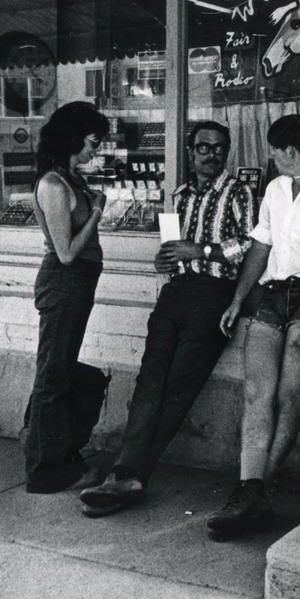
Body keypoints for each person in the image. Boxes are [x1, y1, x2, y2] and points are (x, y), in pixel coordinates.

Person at [79, 121, 256, 517]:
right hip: (174, 295)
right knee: (149, 381)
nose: (211, 154)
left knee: (177, 388)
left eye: (219, 148)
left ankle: (128, 474)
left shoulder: (239, 192)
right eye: (203, 147)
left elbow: (250, 244)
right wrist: (165, 259)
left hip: (213, 298)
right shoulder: (178, 195)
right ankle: (127, 471)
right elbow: (170, 247)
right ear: (191, 153)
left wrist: (201, 250)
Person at [205, 115, 300, 539]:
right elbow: (261, 245)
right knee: (257, 394)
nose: (270, 158)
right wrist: (238, 299)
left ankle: (254, 494)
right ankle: (249, 492)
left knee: (289, 398)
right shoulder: (274, 190)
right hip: (273, 295)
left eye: (274, 150)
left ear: (290, 151)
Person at [23, 101, 112, 493]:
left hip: (78, 286)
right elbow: (66, 252)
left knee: (63, 370)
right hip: (63, 282)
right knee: (53, 374)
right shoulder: (53, 185)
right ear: (74, 138)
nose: (96, 150)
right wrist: (96, 212)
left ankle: (58, 448)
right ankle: (44, 468)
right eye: (93, 141)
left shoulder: (71, 177)